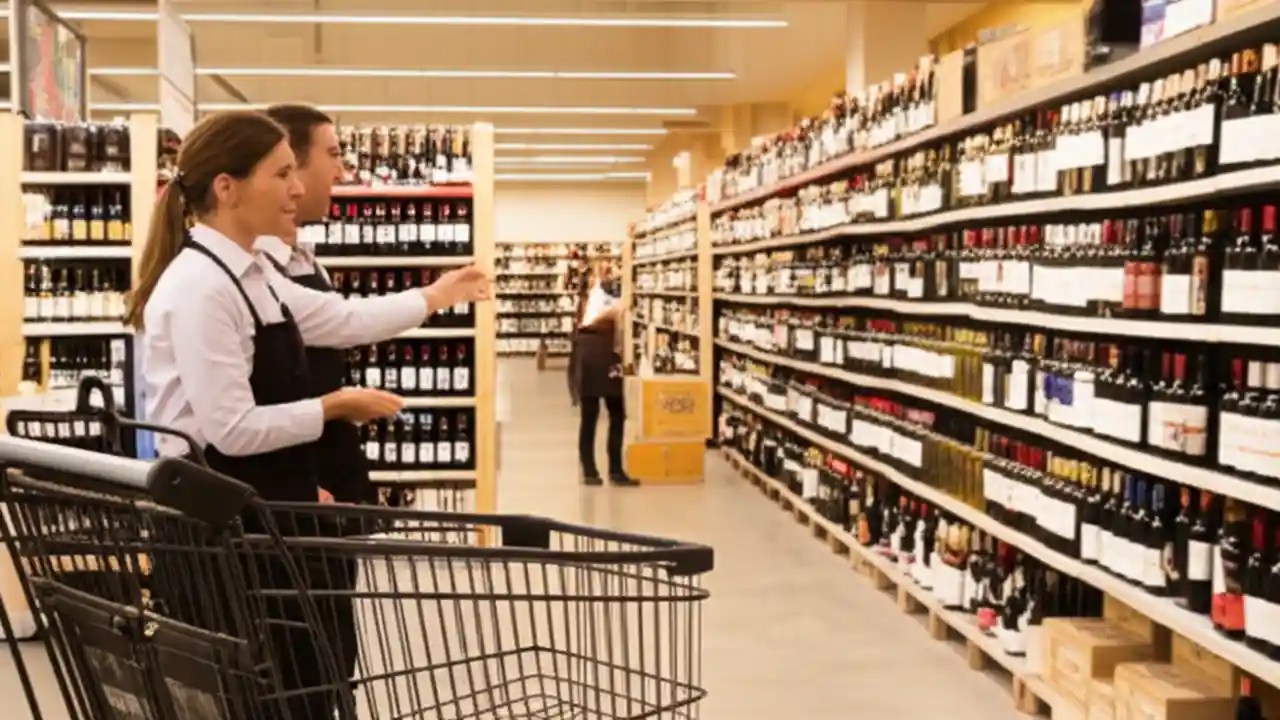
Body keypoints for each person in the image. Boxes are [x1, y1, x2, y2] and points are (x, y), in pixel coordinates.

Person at [124, 110, 490, 718]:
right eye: (282, 172)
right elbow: (231, 429)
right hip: (218, 538)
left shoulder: (249, 276)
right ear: (226, 187)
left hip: (256, 526)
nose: (298, 187)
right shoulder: (202, 287)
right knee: (269, 695)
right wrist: (333, 406)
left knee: (307, 686)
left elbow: (338, 321)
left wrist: (434, 296)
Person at [568, 259, 637, 487]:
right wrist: (618, 310)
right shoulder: (597, 293)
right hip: (592, 351)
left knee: (617, 412)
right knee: (591, 414)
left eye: (614, 266)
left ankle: (615, 470)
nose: (611, 270)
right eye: (606, 267)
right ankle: (590, 469)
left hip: (611, 354)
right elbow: (597, 318)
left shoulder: (615, 291)